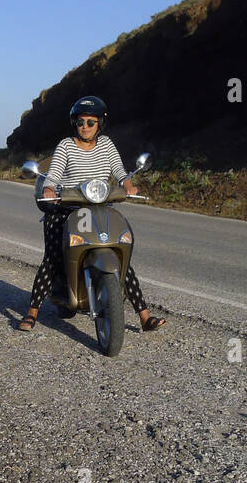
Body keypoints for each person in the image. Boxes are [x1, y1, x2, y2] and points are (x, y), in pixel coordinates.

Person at [18, 96, 165, 333]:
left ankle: (144, 317)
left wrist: (128, 185)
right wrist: (48, 188)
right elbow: (54, 175)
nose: (85, 127)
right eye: (81, 122)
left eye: (91, 122)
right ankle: (32, 312)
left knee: (119, 252)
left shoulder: (106, 144)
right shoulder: (66, 145)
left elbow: (119, 170)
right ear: (74, 123)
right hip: (67, 207)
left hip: (100, 205)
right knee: (52, 258)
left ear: (100, 124)